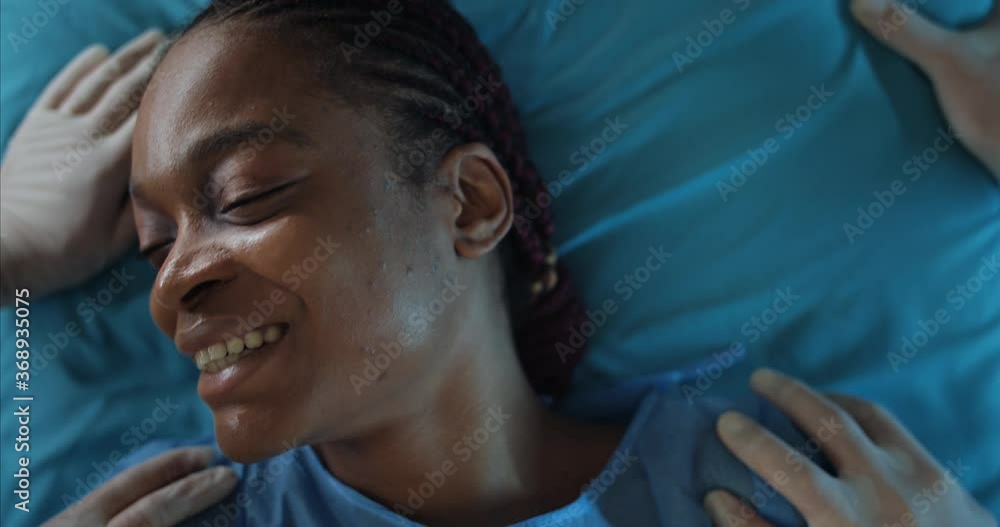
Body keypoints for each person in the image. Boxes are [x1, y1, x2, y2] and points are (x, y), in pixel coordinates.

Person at [0, 0, 994, 525]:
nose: (176, 283)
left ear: (471, 203)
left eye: (249, 196)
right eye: (154, 243)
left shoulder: (786, 479)